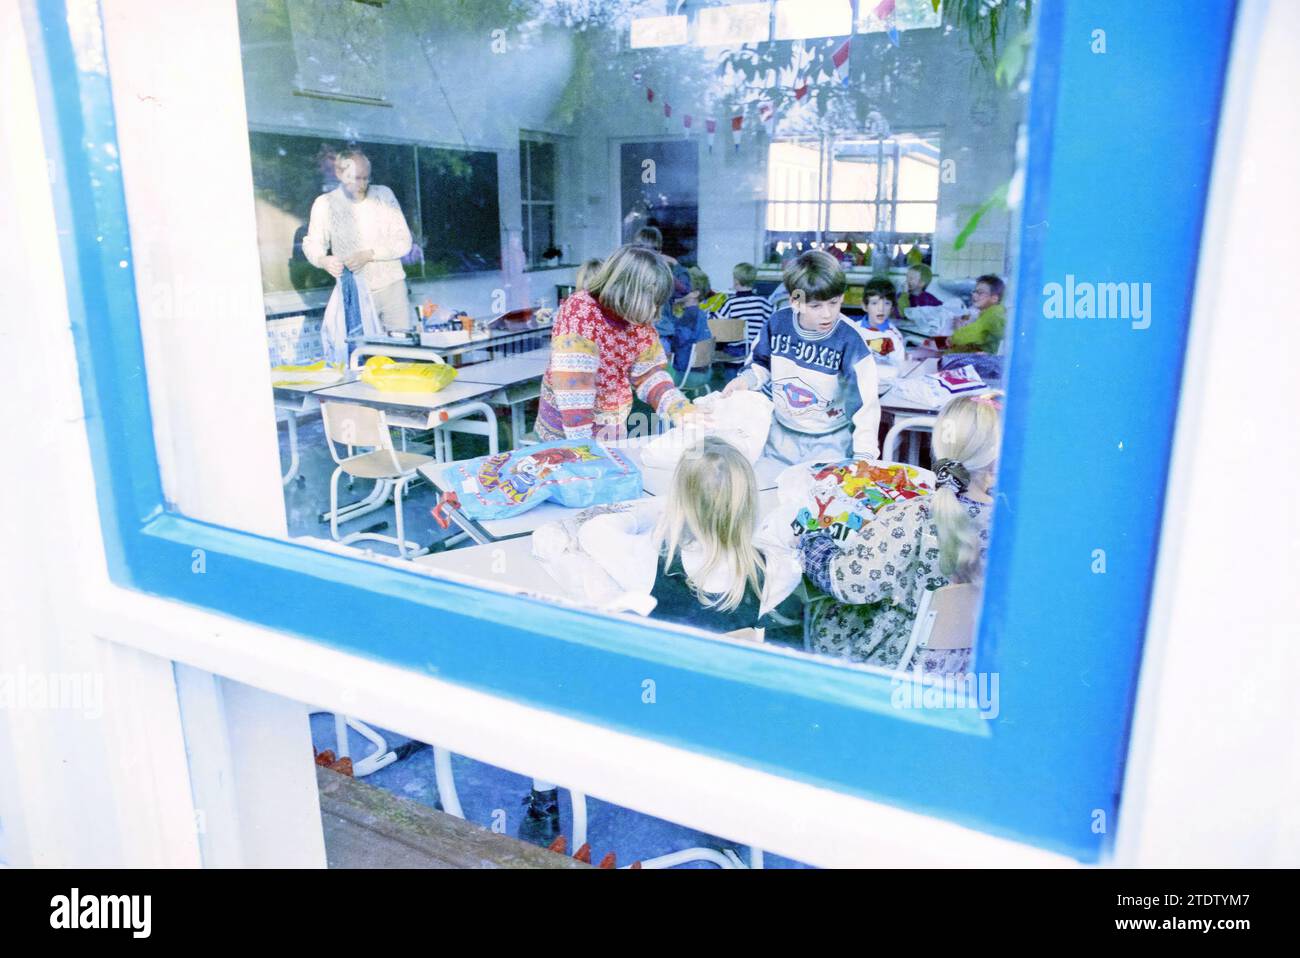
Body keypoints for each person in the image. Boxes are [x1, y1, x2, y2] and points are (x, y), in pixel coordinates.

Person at [797, 392, 1003, 672]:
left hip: (895, 659)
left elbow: (847, 583)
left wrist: (813, 542)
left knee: (817, 607)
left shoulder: (913, 516)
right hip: (969, 667)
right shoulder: (1016, 526)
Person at [722, 250, 881, 465]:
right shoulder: (777, 323)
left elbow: (866, 406)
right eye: (815, 306)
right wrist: (746, 380)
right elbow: (761, 363)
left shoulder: (850, 340)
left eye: (833, 303)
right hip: (780, 438)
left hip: (830, 443)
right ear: (795, 301)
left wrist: (864, 456)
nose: (827, 314)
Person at [533, 244, 699, 442]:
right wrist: (583, 447)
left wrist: (680, 409)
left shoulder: (638, 322)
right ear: (630, 291)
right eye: (653, 301)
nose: (656, 310)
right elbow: (574, 390)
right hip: (567, 432)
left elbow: (650, 375)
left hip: (610, 424)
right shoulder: (582, 311)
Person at [303, 149, 415, 334]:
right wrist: (323, 260)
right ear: (339, 173)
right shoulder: (325, 204)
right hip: (354, 292)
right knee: (361, 353)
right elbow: (312, 243)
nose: (362, 184)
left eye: (366, 178)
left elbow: (404, 241)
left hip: (392, 288)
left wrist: (370, 255)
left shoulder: (384, 195)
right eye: (356, 178)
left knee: (402, 350)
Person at [715, 262, 774, 358]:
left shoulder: (730, 303)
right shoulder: (763, 302)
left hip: (734, 350)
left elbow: (718, 323)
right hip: (757, 350)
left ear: (736, 281)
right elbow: (772, 322)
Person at [945, 274, 1007, 354]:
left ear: (994, 298)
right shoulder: (992, 311)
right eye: (974, 291)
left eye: (980, 293)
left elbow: (970, 333)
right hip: (983, 353)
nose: (974, 295)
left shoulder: (994, 313)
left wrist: (953, 338)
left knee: (944, 350)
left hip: (987, 359)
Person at [860, 278, 907, 376]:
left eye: (887, 303)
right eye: (874, 303)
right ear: (865, 306)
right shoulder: (853, 330)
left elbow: (898, 370)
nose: (881, 309)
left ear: (892, 308)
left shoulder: (894, 336)